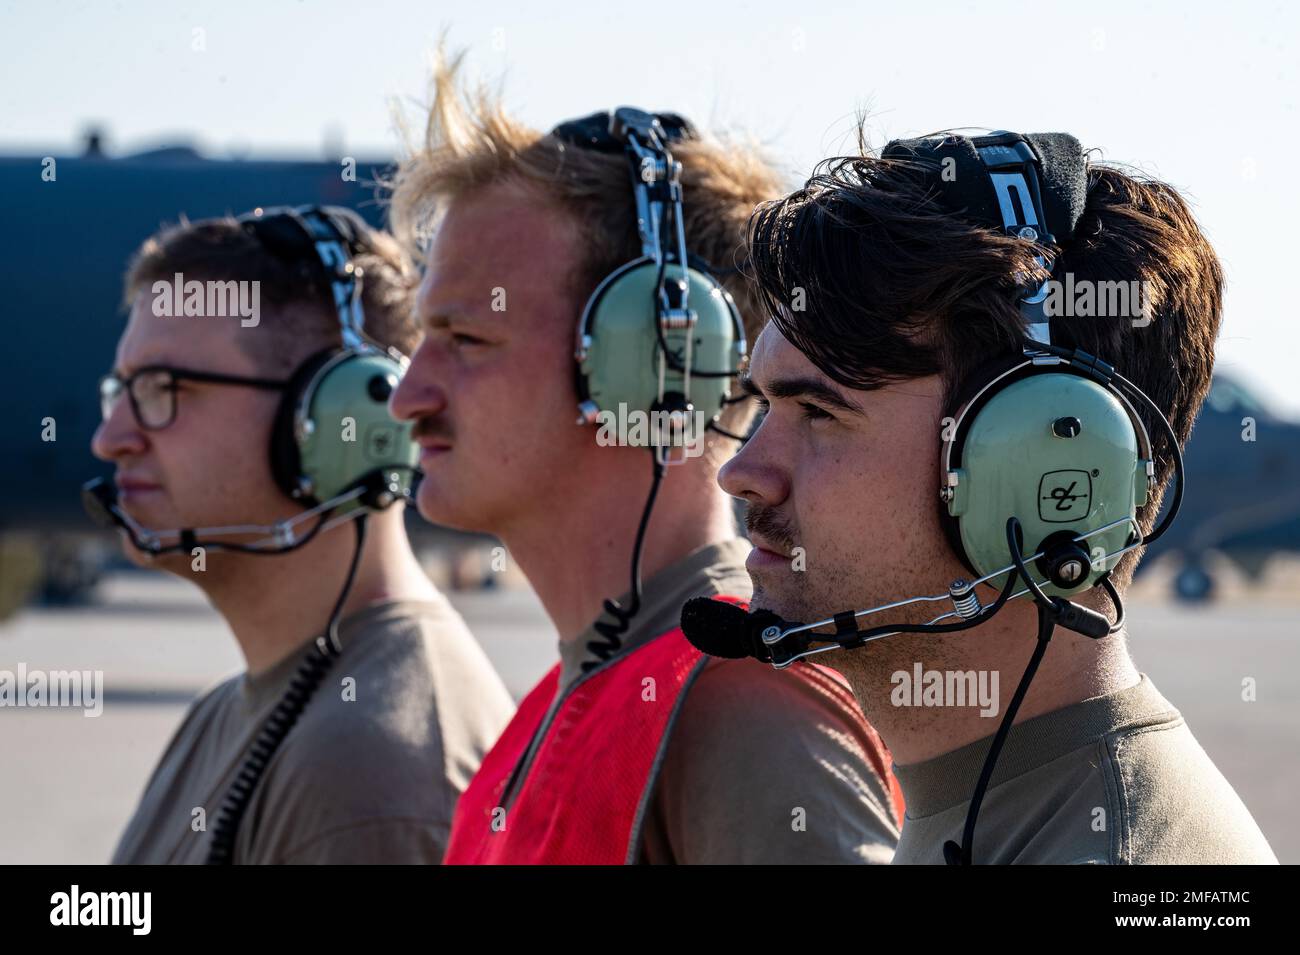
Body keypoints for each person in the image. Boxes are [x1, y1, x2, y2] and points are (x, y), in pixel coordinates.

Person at [386, 55, 904, 864]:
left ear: (654, 367)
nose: (407, 393)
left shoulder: (746, 705)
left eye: (466, 340)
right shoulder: (563, 707)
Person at [714, 127, 1278, 863]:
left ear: (1047, 472)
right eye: (765, 408)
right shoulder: (989, 811)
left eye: (819, 413)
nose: (742, 470)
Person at [91, 206, 513, 863]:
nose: (111, 437)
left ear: (338, 414)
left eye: (163, 388)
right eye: (119, 391)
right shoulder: (229, 714)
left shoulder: (368, 771)